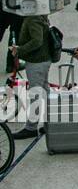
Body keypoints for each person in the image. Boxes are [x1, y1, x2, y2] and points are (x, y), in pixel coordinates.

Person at [9, 11, 54, 140]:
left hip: (37, 62)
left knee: (36, 94)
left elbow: (37, 40)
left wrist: (20, 49)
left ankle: (31, 127)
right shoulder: (40, 15)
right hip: (44, 60)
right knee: (45, 91)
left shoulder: (33, 19)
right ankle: (49, 124)